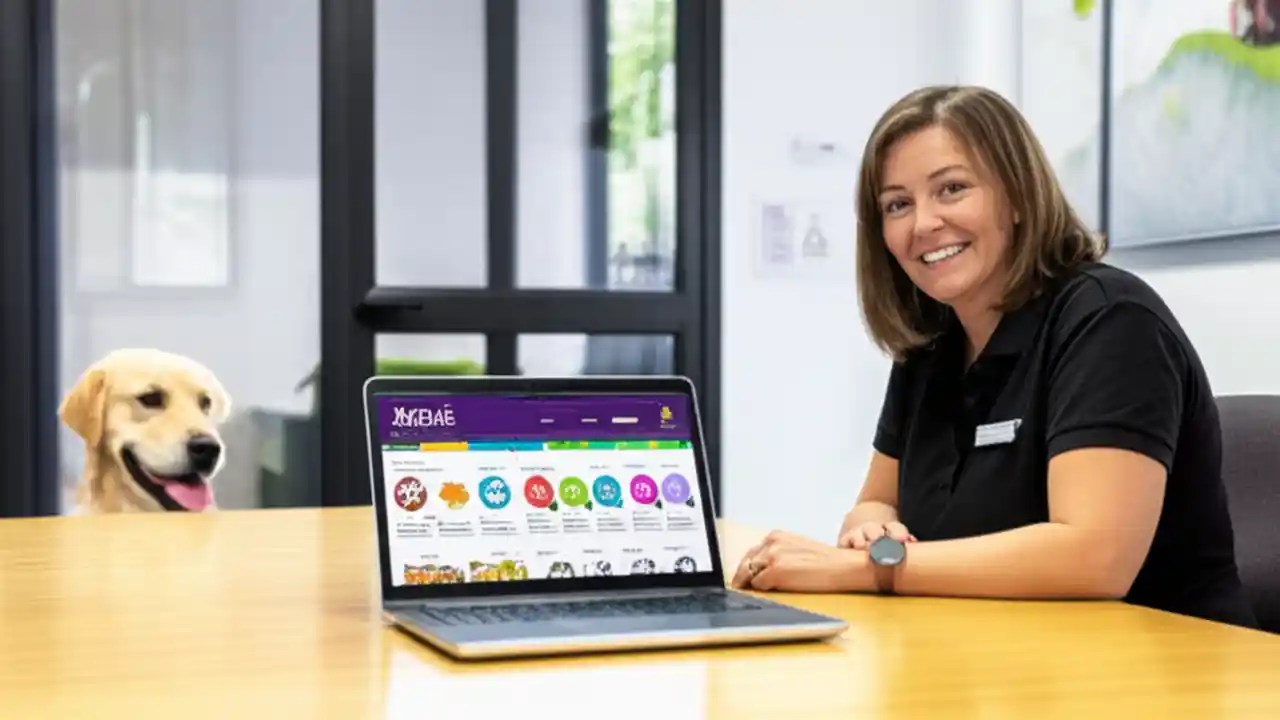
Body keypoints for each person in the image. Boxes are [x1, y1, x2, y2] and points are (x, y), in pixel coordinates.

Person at [730, 85, 1260, 630]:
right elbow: (874, 503)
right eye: (897, 205)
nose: (924, 223)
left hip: (1163, 669)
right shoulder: (932, 342)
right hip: (1002, 655)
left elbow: (1095, 559)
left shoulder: (1111, 321)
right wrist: (873, 529)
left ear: (1016, 197)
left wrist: (870, 567)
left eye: (952, 189)